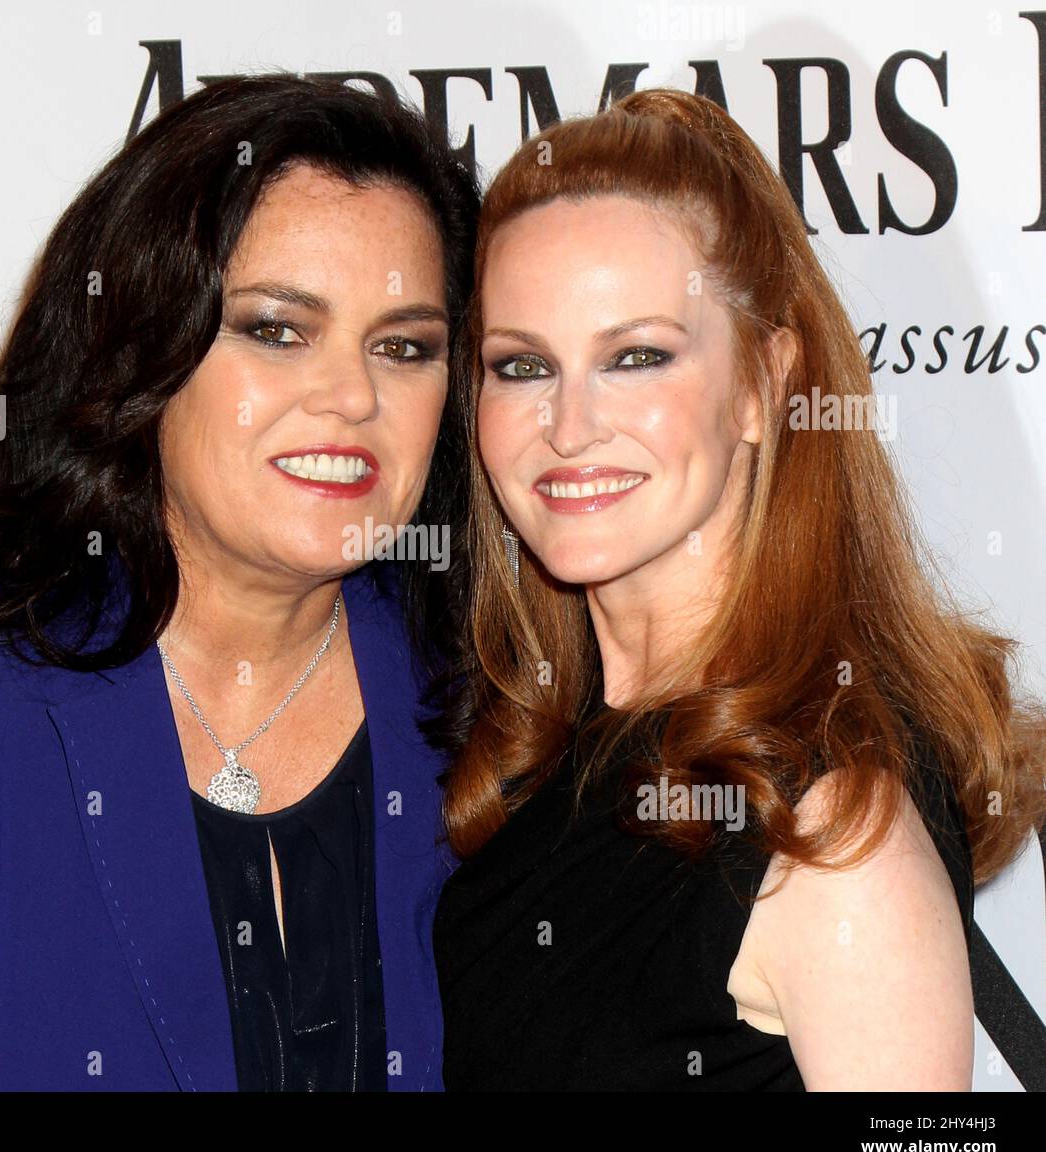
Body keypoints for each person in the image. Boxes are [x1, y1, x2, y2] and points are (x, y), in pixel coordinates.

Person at [0, 73, 479, 1092]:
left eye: (404, 346)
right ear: (143, 344)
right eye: (276, 329)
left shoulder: (498, 710)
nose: (353, 396)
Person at [431, 89, 1046, 1091]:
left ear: (763, 383)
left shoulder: (835, 829)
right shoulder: (553, 745)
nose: (569, 423)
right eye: (521, 364)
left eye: (636, 356)